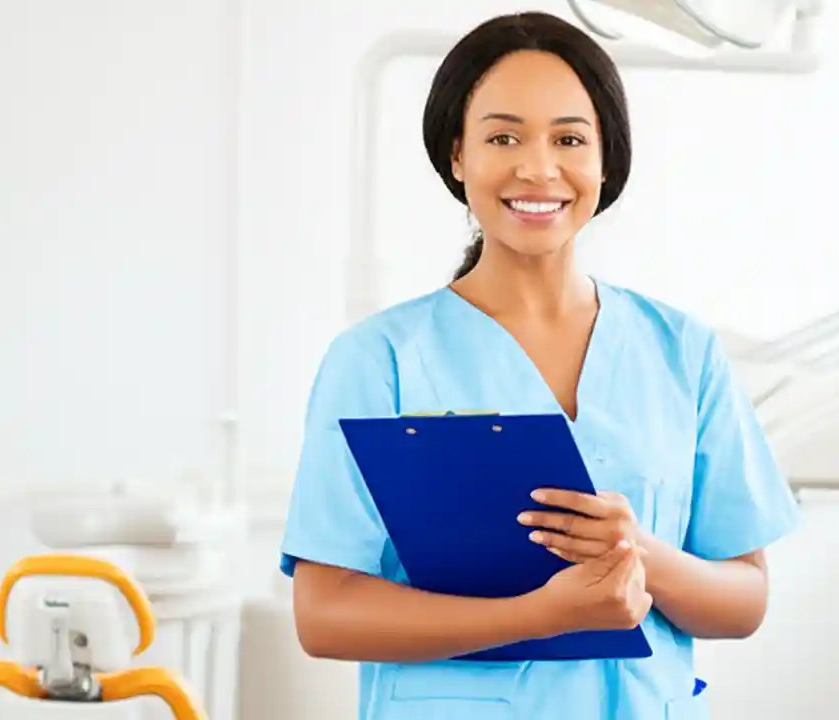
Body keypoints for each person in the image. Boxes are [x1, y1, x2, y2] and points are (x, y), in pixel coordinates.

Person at [277, 11, 799, 720]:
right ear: (456, 156)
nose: (538, 167)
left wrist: (638, 551)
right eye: (503, 137)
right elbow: (325, 613)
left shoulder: (682, 351)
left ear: (605, 159)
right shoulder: (379, 359)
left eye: (569, 139)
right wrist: (538, 614)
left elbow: (744, 600)